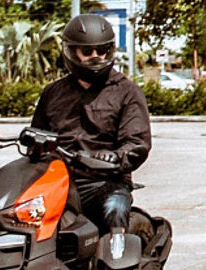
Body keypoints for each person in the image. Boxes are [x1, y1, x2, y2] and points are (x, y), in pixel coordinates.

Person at [29, 13, 151, 234]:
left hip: (105, 182)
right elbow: (36, 135)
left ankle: (120, 265)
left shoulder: (126, 92)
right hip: (59, 182)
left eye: (102, 50)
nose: (96, 56)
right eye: (87, 52)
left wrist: (114, 157)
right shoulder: (53, 93)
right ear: (71, 51)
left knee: (114, 210)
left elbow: (136, 142)